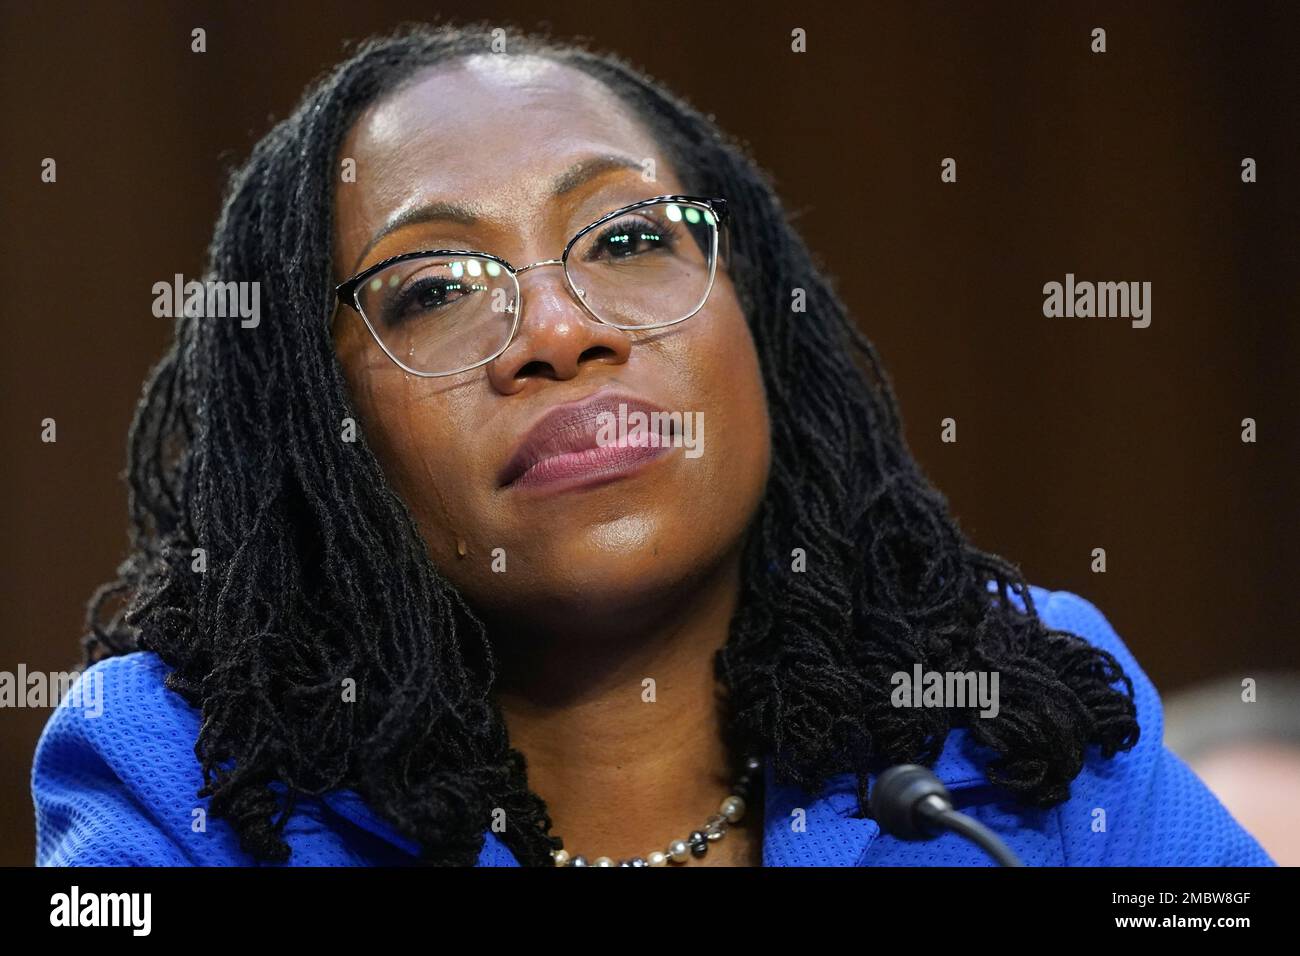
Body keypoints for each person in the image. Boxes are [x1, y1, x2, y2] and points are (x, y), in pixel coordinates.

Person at [31, 22, 1272, 867]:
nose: (558, 332)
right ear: (322, 432)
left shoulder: (1016, 705)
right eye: (434, 287)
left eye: (628, 240)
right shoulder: (173, 777)